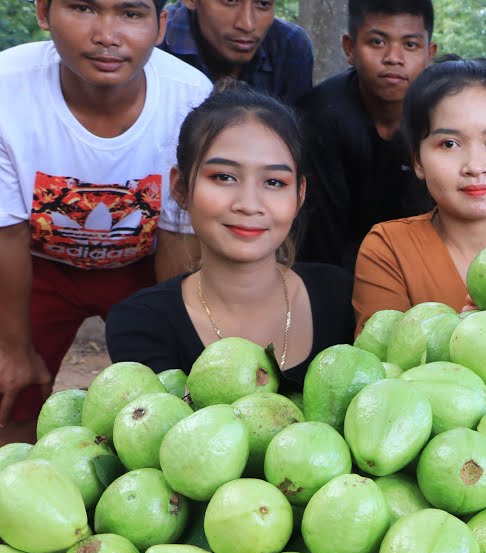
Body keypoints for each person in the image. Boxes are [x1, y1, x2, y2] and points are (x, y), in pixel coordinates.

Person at [0, 0, 212, 445]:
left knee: (162, 400)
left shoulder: (188, 97)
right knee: (11, 393)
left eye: (131, 14)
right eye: (83, 8)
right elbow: (7, 232)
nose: (107, 34)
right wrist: (14, 349)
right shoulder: (8, 87)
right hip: (35, 266)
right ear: (42, 12)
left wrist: (171, 355)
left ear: (160, 26)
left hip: (143, 265)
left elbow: (178, 237)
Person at [106, 83, 354, 388]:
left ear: (299, 194)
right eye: (224, 177)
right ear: (181, 188)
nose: (249, 204)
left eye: (274, 182)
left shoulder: (341, 297)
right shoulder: (141, 324)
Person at [352, 57, 486, 332]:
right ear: (418, 161)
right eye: (449, 144)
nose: (475, 166)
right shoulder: (389, 250)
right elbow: (382, 365)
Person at [296, 0, 437, 271]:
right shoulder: (320, 117)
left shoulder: (439, 116)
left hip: (419, 262)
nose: (393, 57)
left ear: (429, 53)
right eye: (377, 42)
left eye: (410, 45)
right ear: (350, 48)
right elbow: (318, 240)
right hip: (333, 268)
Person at [159, 0, 314, 104]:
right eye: (230, 0)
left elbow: (296, 144)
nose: (247, 25)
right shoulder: (153, 44)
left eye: (263, 3)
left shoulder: (288, 46)